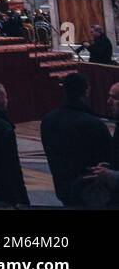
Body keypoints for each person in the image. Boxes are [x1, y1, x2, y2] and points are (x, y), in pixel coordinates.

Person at [40, 72, 113, 206]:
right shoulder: (94, 124)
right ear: (86, 91)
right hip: (91, 190)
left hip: (62, 186)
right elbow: (109, 158)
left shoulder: (47, 120)